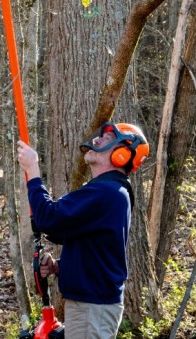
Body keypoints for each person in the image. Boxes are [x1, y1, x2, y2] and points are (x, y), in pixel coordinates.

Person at [16, 122, 150, 339]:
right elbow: (90, 243)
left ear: (122, 155)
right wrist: (60, 266)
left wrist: (32, 169)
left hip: (91, 310)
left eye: (106, 139)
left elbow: (48, 218)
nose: (96, 140)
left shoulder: (107, 192)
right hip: (90, 308)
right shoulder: (109, 192)